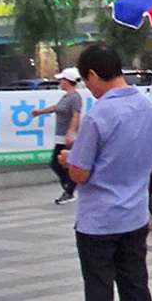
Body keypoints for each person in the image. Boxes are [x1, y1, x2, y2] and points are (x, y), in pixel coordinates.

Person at [69, 44, 152, 301]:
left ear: (92, 75)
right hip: (134, 216)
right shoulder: (147, 107)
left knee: (99, 288)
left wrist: (69, 160)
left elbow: (80, 174)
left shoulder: (97, 115)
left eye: (86, 81)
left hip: (99, 221)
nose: (89, 88)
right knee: (135, 285)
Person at [33, 68, 85, 204]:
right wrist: (40, 112)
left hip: (68, 137)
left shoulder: (75, 97)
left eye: (62, 80)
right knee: (58, 163)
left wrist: (71, 132)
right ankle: (69, 188)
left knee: (60, 163)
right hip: (61, 135)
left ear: (67, 81)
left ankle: (69, 189)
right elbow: (55, 107)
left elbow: (76, 115)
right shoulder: (66, 97)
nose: (60, 82)